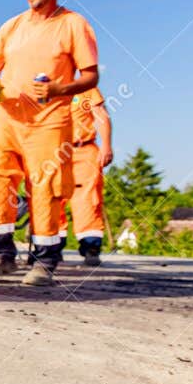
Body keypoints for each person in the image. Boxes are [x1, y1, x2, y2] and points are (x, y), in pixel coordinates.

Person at [0, 0, 100, 287]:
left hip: (49, 121)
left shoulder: (73, 24)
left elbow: (90, 76)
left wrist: (60, 87)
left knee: (45, 186)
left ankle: (45, 260)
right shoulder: (11, 26)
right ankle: (0, 254)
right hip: (4, 118)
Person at [67, 87, 114, 265]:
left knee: (88, 199)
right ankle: (51, 247)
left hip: (83, 149)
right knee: (52, 199)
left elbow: (100, 114)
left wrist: (106, 145)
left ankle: (91, 247)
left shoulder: (86, 88)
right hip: (53, 152)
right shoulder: (42, 85)